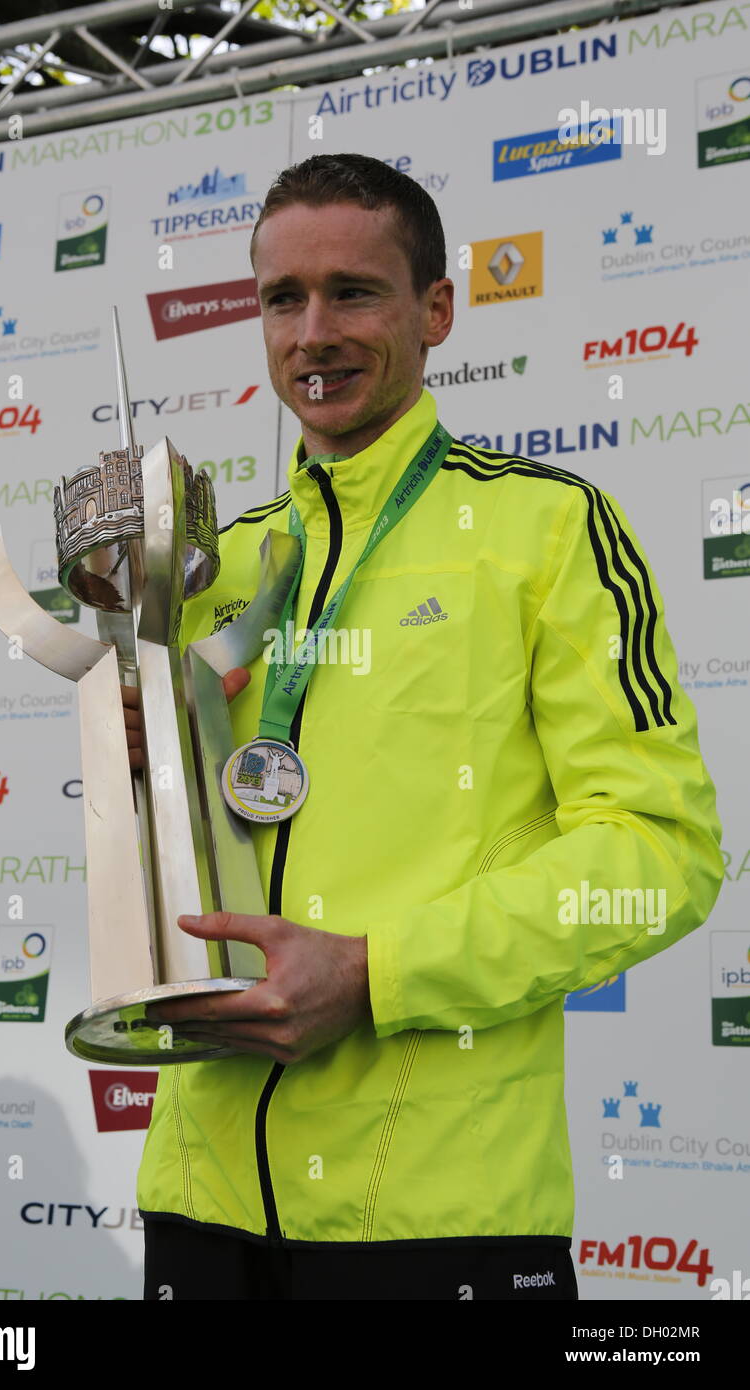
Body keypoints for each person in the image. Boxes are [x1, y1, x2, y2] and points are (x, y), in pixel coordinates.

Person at [124, 153, 723, 1301]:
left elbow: (661, 855)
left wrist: (375, 973)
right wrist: (140, 767)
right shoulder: (218, 562)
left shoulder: (546, 530)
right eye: (279, 299)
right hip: (197, 1199)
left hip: (437, 1221)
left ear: (434, 308)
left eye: (352, 291)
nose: (312, 333)